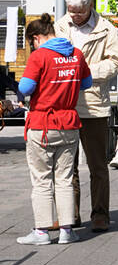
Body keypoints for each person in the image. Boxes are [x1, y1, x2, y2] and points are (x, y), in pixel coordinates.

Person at [16, 14, 92, 245]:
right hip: (69, 123)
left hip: (42, 125)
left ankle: (41, 232)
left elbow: (26, 88)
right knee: (65, 179)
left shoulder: (40, 56)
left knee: (41, 180)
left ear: (36, 38)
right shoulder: (76, 54)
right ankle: (67, 231)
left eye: (32, 42)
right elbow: (87, 83)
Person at [57, 0, 118, 233]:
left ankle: (100, 214)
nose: (74, 16)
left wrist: (85, 72)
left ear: (89, 7)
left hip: (94, 105)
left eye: (79, 12)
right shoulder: (60, 25)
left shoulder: (107, 29)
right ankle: (69, 215)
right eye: (71, 11)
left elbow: (116, 63)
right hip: (65, 104)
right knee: (66, 165)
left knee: (97, 165)